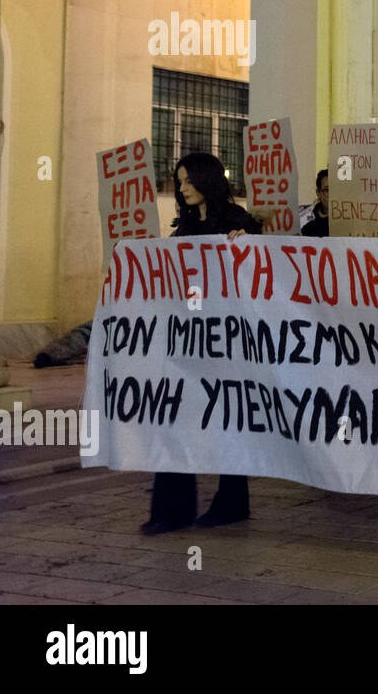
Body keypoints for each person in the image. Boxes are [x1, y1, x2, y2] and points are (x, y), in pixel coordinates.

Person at [142, 152, 262, 536]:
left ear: (206, 179)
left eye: (188, 180)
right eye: (179, 182)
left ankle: (232, 503)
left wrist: (250, 246)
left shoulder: (240, 223)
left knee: (228, 421)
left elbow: (263, 273)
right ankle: (171, 510)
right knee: (174, 420)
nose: (182, 188)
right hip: (187, 342)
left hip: (228, 345)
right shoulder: (184, 229)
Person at [300, 169, 329, 237]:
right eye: (327, 190)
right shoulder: (305, 224)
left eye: (336, 190)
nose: (333, 195)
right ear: (318, 193)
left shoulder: (352, 223)